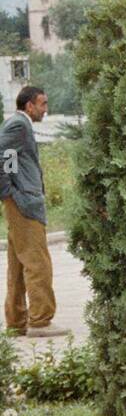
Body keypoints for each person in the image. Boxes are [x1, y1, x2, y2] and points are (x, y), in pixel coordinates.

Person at [1, 85, 62, 337]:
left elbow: (9, 158)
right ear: (29, 106)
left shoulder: (18, 124)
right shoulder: (19, 125)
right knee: (38, 262)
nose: (46, 110)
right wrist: (8, 191)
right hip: (24, 204)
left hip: (20, 202)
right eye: (43, 104)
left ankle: (16, 321)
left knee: (18, 263)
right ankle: (41, 321)